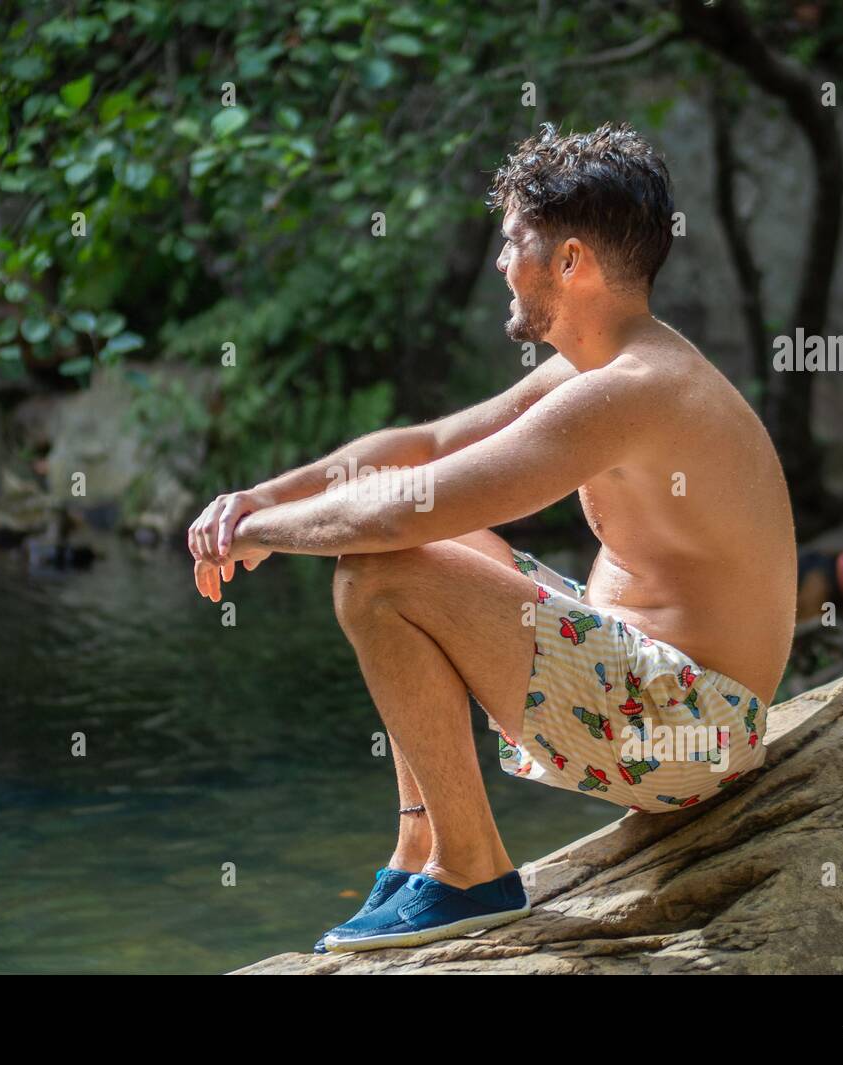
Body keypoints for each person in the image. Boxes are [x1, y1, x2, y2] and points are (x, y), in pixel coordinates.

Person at [188, 122, 797, 954]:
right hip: (662, 697)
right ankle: (420, 849)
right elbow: (426, 446)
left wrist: (262, 533)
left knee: (377, 571)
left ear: (572, 261)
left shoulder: (632, 390)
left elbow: (408, 508)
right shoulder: (608, 364)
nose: (501, 265)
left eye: (514, 243)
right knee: (413, 546)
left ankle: (471, 869)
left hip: (691, 733)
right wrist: (261, 496)